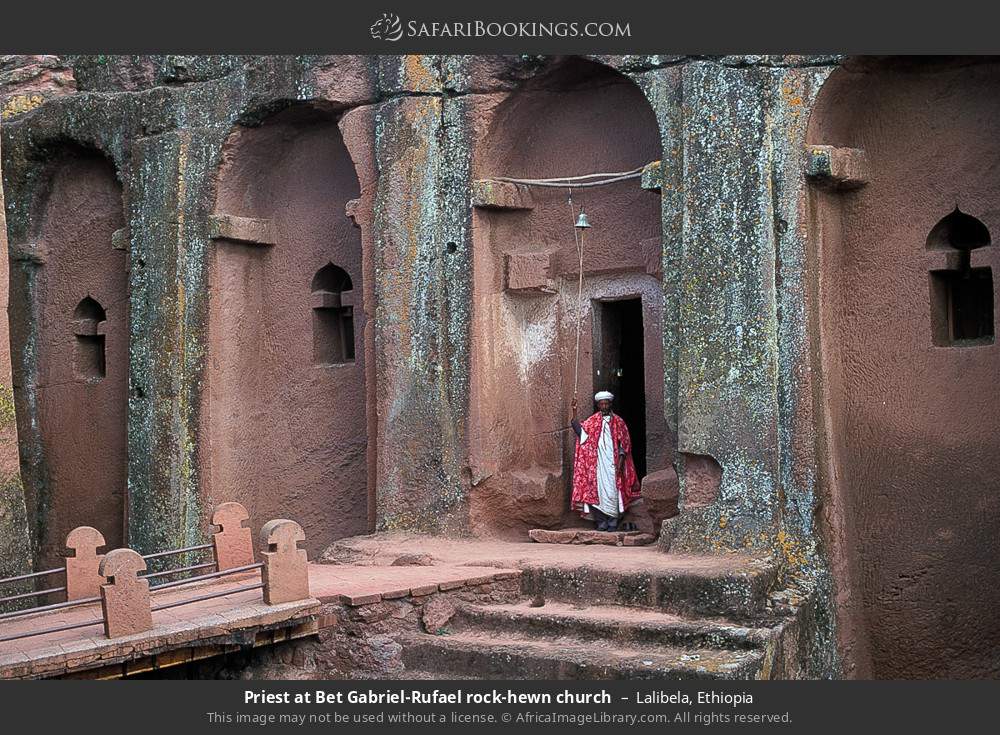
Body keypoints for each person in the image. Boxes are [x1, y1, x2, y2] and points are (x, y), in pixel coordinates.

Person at [570, 390, 641, 531]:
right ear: (598, 405)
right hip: (598, 465)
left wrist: (620, 461)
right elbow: (581, 433)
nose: (604, 406)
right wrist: (574, 412)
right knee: (598, 493)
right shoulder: (592, 422)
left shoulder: (619, 422)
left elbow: (624, 444)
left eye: (606, 403)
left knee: (613, 491)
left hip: (613, 464)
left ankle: (613, 521)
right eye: (601, 404)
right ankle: (601, 521)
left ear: (610, 404)